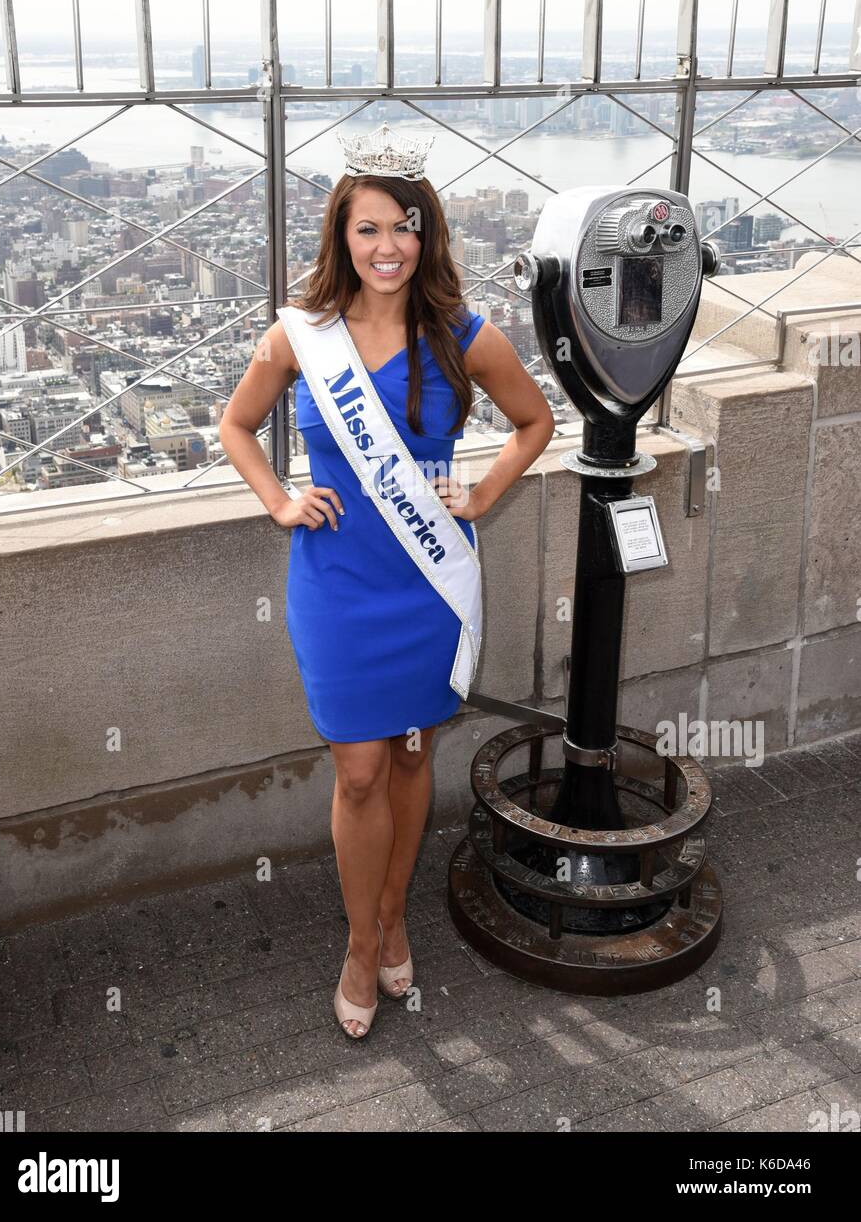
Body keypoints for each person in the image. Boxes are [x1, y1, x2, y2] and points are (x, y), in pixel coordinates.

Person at [220, 123, 555, 1039]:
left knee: (412, 754)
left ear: (427, 235)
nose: (386, 246)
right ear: (342, 237)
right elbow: (236, 426)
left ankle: (393, 915)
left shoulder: (463, 335)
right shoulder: (300, 336)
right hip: (336, 580)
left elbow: (534, 423)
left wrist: (478, 495)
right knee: (360, 768)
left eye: (403, 227)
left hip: (427, 581)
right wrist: (280, 501)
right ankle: (359, 945)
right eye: (367, 229)